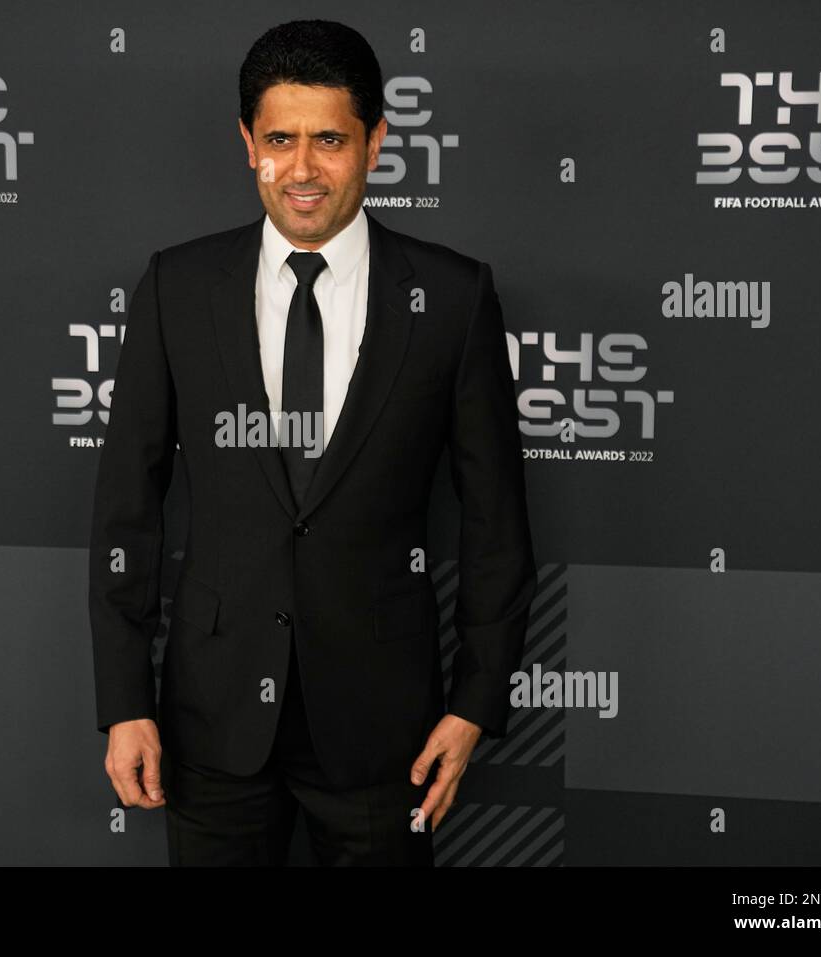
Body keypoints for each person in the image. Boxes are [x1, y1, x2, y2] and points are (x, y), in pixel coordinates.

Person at [89, 18, 537, 866]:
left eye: (329, 140)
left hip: (384, 731)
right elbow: (126, 510)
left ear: (375, 142)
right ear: (246, 143)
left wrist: (476, 701)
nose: (302, 170)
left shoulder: (451, 296)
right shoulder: (177, 288)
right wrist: (123, 700)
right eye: (280, 140)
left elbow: (496, 526)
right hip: (211, 724)